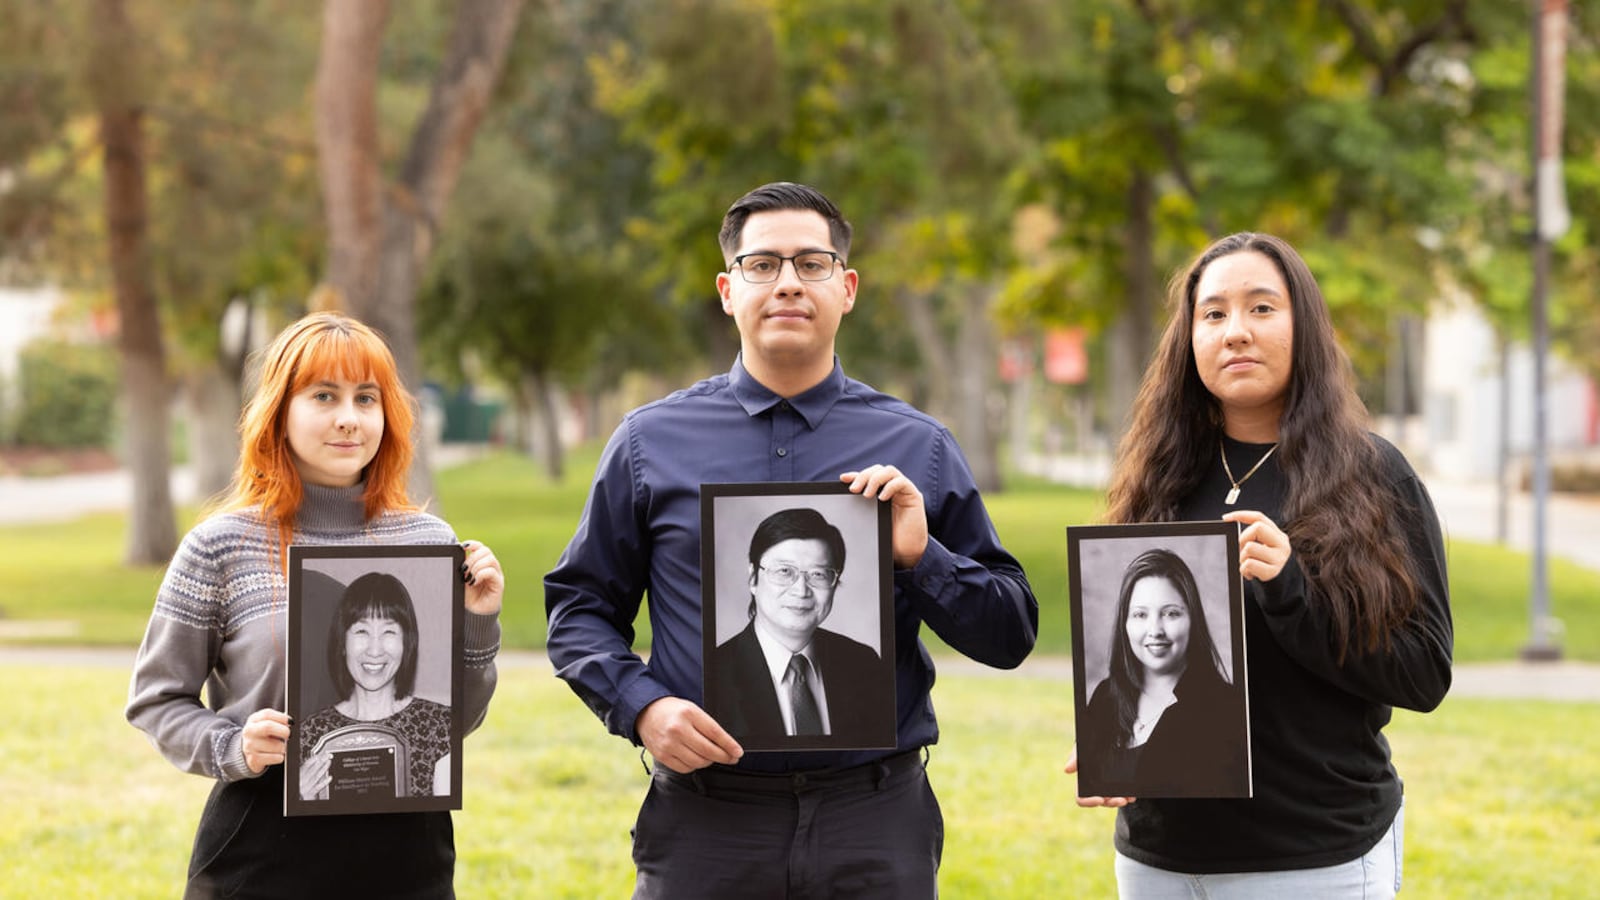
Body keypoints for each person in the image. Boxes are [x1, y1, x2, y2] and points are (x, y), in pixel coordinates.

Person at [544, 181, 1038, 898]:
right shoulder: (648, 444)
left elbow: (1011, 632)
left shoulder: (919, 448)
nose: (787, 284)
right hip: (707, 820)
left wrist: (919, 556)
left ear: (847, 287)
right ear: (727, 288)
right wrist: (642, 705)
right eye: (762, 265)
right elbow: (579, 607)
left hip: (872, 818)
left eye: (812, 264)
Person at [1064, 232, 1452, 898]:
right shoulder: (1156, 481)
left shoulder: (1373, 475)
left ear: (1305, 326)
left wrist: (1292, 591)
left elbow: (1424, 673)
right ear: (1189, 341)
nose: (1235, 331)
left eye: (1261, 308)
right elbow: (1136, 664)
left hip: (1316, 856)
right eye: (1212, 314)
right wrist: (1113, 746)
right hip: (1161, 860)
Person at [126, 312, 504, 899]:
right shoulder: (220, 546)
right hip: (260, 850)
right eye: (324, 395)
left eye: (366, 398)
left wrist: (479, 622)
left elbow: (457, 724)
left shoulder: (427, 542)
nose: (349, 418)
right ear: (280, 411)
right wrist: (233, 746)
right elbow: (156, 700)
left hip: (408, 854)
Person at [705, 507, 893, 745]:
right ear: (753, 578)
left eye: (818, 574)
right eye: (784, 572)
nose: (801, 590)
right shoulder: (714, 672)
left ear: (835, 582)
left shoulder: (862, 663)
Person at [1077, 547, 1247, 798]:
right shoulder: (1106, 697)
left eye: (1171, 613)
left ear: (1193, 620)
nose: (1155, 629)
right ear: (1125, 623)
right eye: (1140, 614)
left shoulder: (1226, 708)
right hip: (1129, 838)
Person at [298, 572, 453, 802]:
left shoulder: (438, 725)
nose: (374, 649)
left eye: (389, 632)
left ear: (406, 643)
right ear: (342, 643)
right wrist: (302, 797)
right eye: (361, 631)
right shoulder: (309, 735)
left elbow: (439, 826)